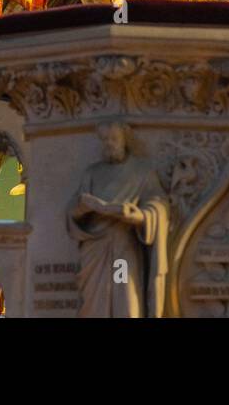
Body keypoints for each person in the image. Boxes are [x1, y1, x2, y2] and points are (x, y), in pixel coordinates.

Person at [67, 122, 169, 317]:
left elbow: (158, 204)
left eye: (114, 139)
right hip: (95, 249)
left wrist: (139, 215)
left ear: (125, 140)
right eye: (105, 140)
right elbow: (74, 207)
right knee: (94, 301)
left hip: (121, 250)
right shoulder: (92, 173)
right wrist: (82, 207)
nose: (109, 144)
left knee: (123, 294)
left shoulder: (141, 172)